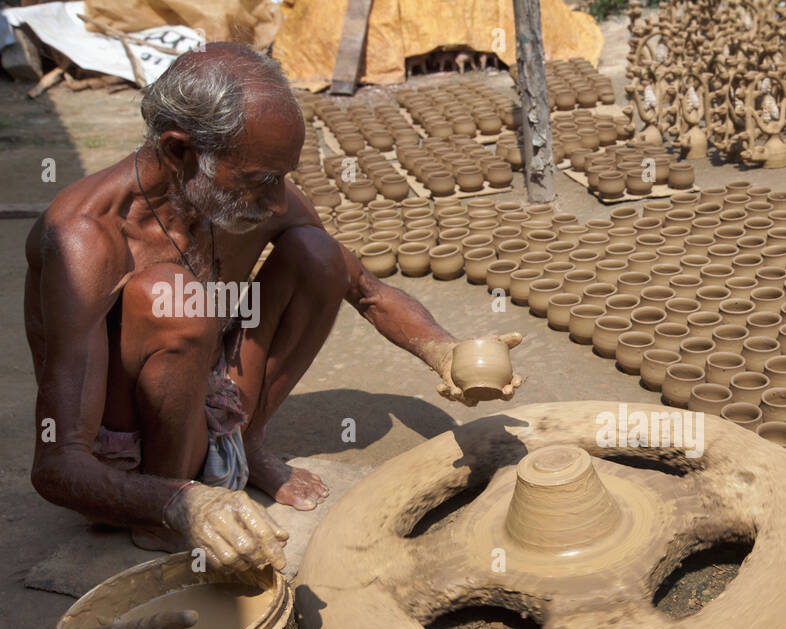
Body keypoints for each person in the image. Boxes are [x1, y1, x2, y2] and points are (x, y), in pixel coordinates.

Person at [23, 43, 522, 574]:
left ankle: (243, 441)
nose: (279, 201)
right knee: (174, 296)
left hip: (201, 393)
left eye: (281, 176)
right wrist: (178, 504)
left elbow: (368, 290)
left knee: (318, 253)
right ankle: (167, 507)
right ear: (179, 152)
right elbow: (58, 463)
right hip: (127, 457)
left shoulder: (236, 197)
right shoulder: (85, 237)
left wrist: (443, 351)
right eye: (260, 180)